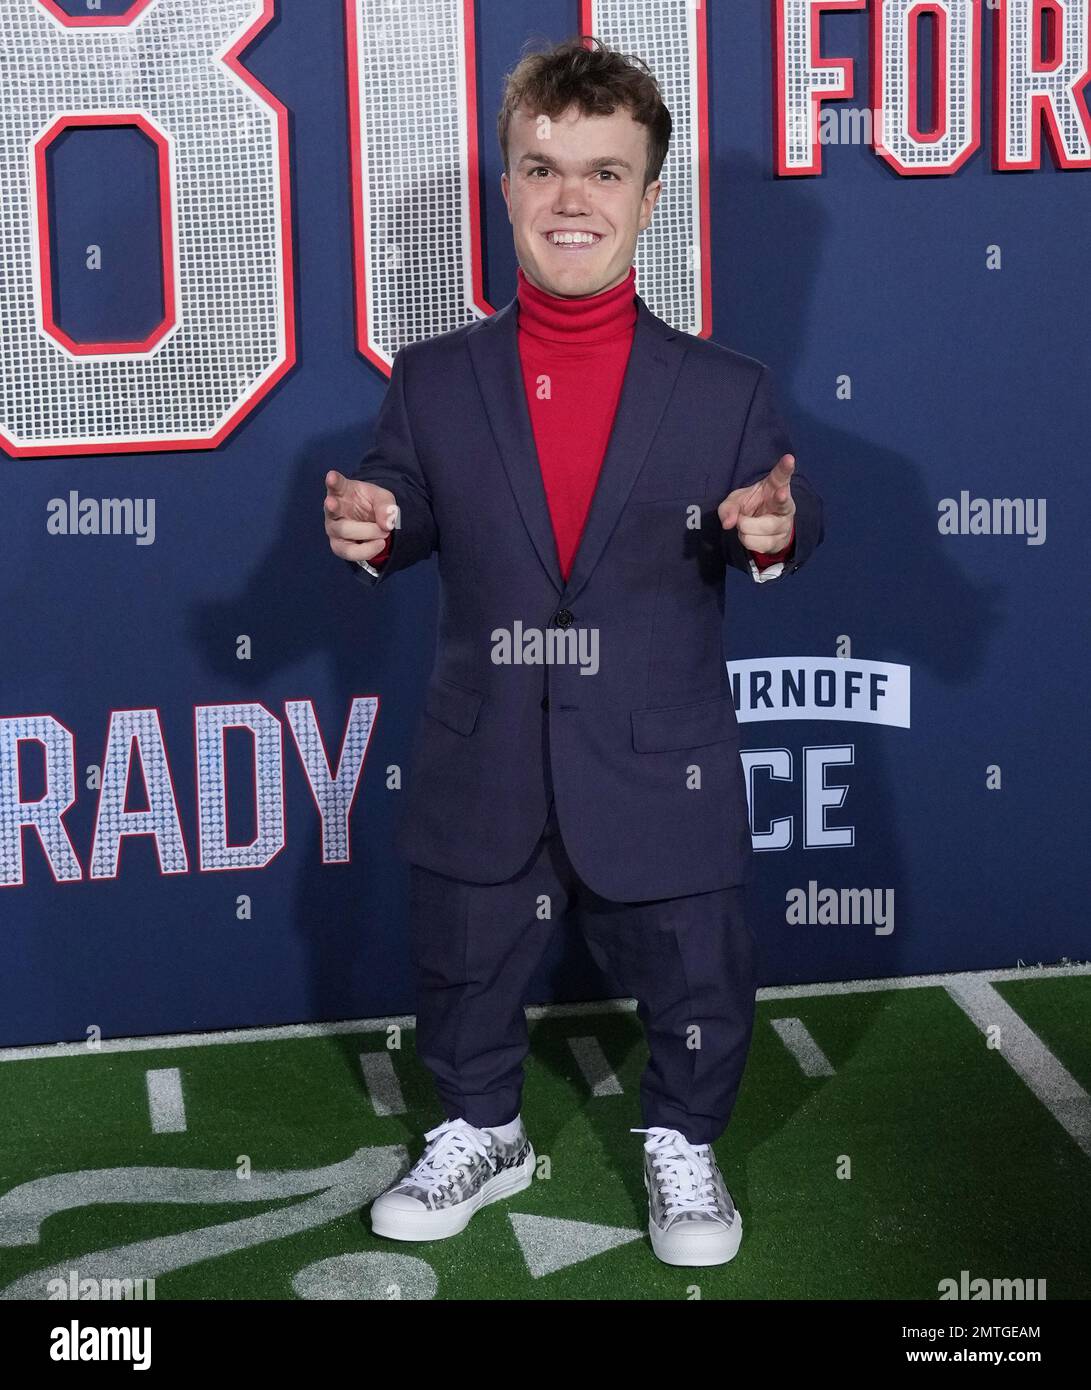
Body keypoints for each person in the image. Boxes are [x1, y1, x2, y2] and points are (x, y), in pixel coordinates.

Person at [324, 35, 823, 1268]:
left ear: (649, 199)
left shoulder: (724, 387)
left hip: (661, 761)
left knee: (696, 976)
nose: (569, 200)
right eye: (541, 168)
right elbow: (403, 494)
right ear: (503, 187)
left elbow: (783, 506)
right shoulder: (434, 382)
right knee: (460, 965)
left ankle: (683, 1142)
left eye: (603, 173)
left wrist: (775, 529)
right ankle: (479, 1127)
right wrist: (378, 521)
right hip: (482, 749)